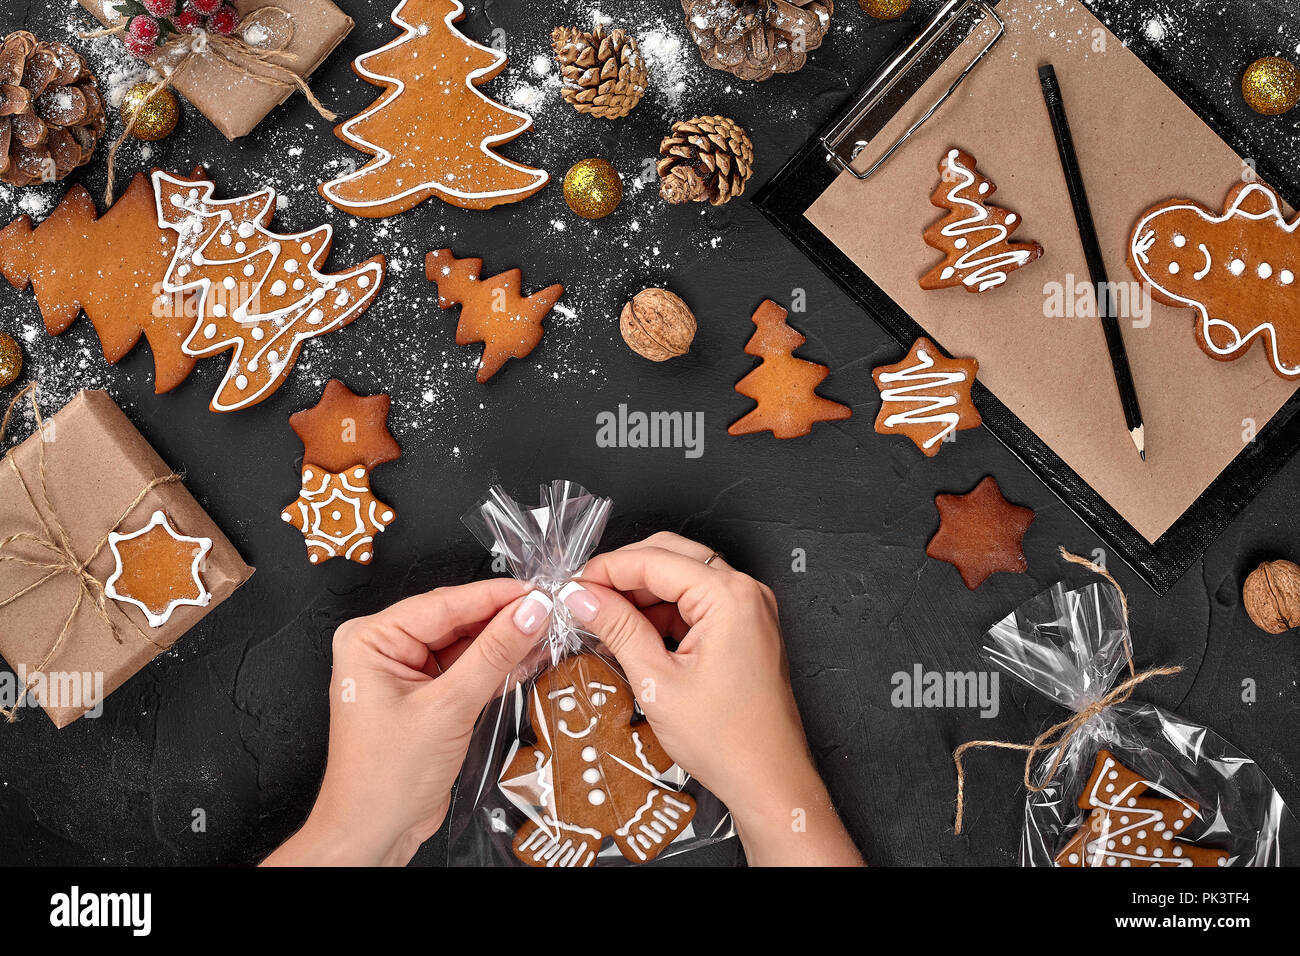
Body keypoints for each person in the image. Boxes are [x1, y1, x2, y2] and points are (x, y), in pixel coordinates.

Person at [263, 532, 863, 867]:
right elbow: (525, 769)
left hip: (640, 816)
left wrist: (360, 832)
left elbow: (654, 751)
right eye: (568, 711)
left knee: (645, 815)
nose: (578, 710)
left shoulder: (643, 736)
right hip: (567, 831)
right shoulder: (535, 747)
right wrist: (776, 798)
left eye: (594, 702)